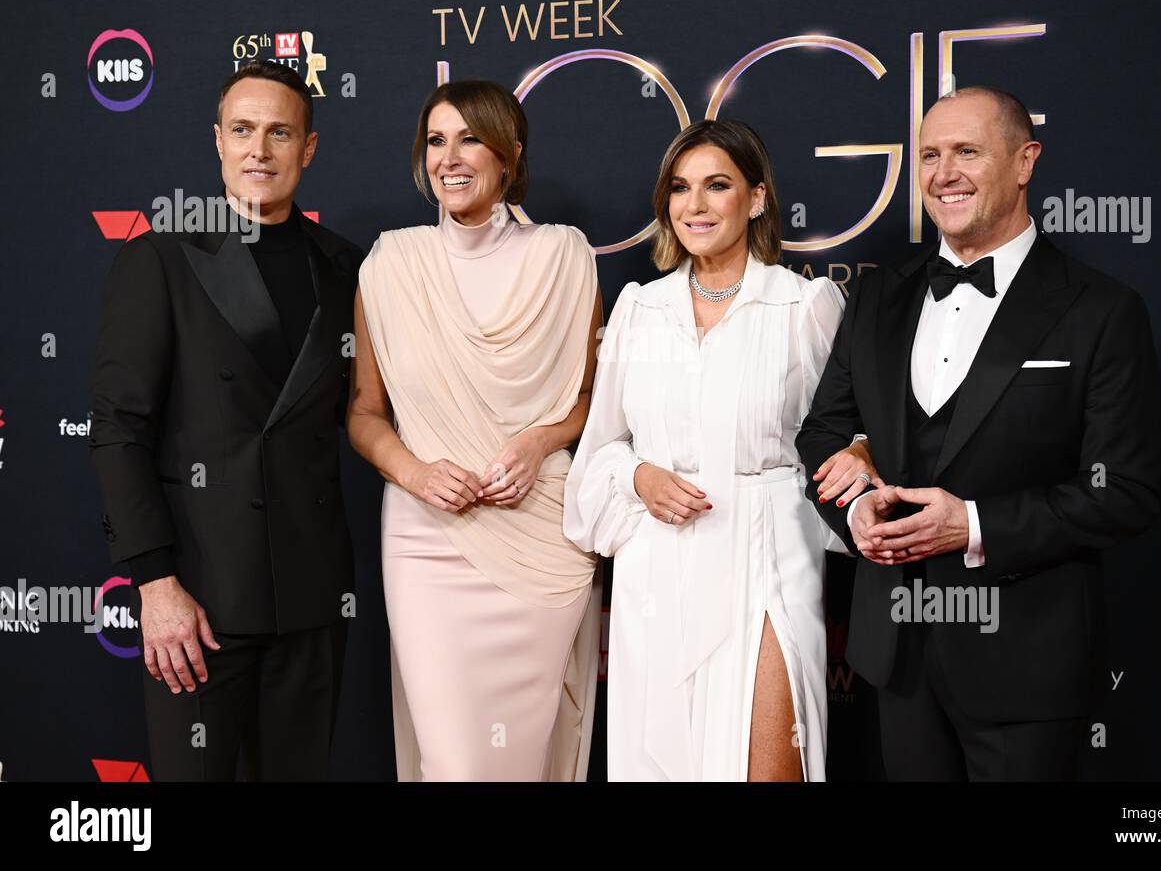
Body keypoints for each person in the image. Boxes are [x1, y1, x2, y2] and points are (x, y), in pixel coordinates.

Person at [797, 86, 1161, 780]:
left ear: (1025, 162)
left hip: (1026, 664)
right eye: (930, 155)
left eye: (968, 151)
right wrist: (852, 507)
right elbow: (823, 432)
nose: (944, 173)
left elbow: (1128, 493)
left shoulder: (1102, 310)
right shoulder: (879, 295)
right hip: (895, 652)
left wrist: (970, 525)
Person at [564, 119, 876, 781]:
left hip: (767, 557)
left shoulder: (804, 305)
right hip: (658, 566)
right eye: (679, 188)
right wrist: (639, 475)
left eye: (717, 185)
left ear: (756, 198)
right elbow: (599, 452)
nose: (695, 206)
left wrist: (862, 454)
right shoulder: (639, 311)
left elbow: (854, 431)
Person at [89, 60, 361, 780]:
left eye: (279, 133)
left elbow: (371, 410)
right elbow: (118, 428)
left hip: (310, 598)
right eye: (242, 130)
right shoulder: (162, 257)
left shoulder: (345, 269)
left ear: (308, 148)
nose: (258, 151)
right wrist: (155, 584)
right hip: (198, 604)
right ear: (217, 141)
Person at [348, 79, 602, 781]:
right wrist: (416, 472)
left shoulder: (563, 255)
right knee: (457, 762)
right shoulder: (390, 264)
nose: (449, 158)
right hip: (427, 541)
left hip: (540, 534)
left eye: (470, 138)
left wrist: (540, 441)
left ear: (509, 155)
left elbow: (588, 397)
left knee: (522, 756)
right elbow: (365, 413)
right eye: (435, 140)